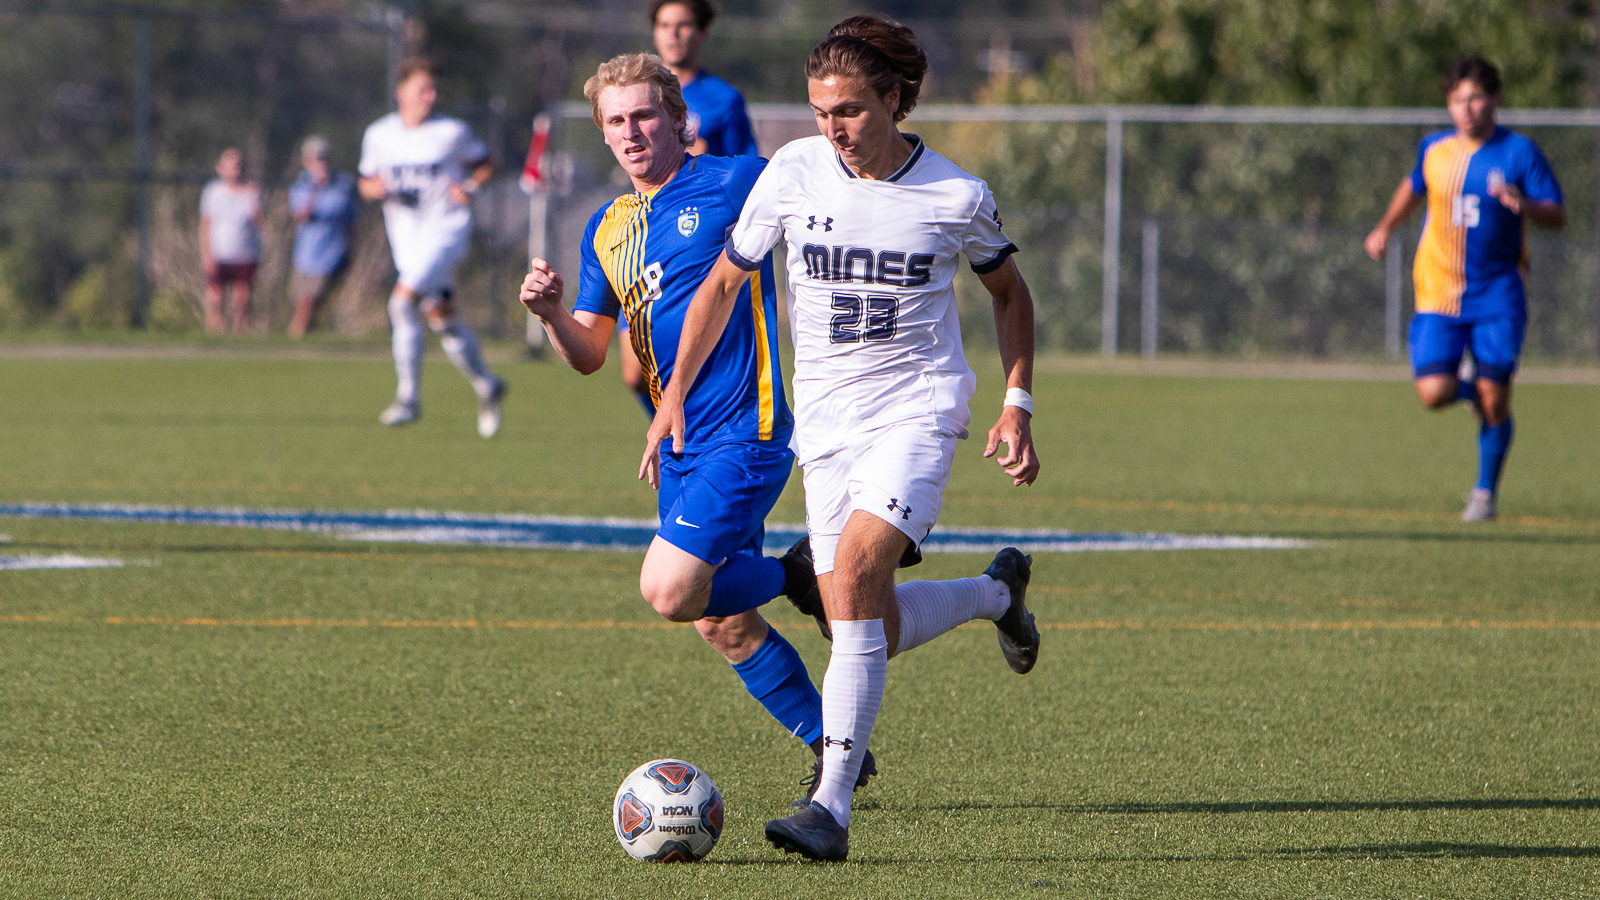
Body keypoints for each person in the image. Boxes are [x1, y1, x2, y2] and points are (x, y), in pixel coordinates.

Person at [645, 16, 1042, 861]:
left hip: (918, 409)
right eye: (822, 110)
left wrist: (1017, 402)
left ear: (895, 100)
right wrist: (672, 393)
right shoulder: (793, 172)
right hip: (825, 426)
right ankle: (998, 595)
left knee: (858, 576)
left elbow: (1011, 295)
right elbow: (724, 283)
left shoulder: (955, 195)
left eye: (852, 111)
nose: (833, 128)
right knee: (864, 622)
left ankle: (829, 807)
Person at [518, 53, 876, 803]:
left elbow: (838, 187)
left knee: (672, 589)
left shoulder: (736, 181)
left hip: (750, 429)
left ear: (679, 118)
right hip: (676, 444)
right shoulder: (607, 227)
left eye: (645, 114)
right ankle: (834, 747)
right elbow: (588, 352)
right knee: (724, 624)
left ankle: (795, 572)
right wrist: (550, 312)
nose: (631, 131)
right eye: (615, 121)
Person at [1365, 56, 1564, 522]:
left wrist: (1526, 206)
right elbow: (1414, 188)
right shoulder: (1435, 150)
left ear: (1494, 99)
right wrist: (1385, 228)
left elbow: (1557, 215)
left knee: (1497, 400)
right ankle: (1473, 392)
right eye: (1457, 100)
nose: (1466, 108)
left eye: (1475, 97)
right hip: (1439, 289)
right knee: (1433, 391)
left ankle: (1484, 495)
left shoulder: (1519, 153)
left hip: (1499, 293)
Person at [614, 0, 763, 420]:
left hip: (696, 241)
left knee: (691, 357)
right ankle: (670, 425)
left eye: (683, 25)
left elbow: (746, 171)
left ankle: (690, 429)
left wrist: (700, 159)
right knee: (631, 369)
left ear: (701, 33)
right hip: (644, 236)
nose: (673, 34)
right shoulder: (638, 92)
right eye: (664, 24)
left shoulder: (723, 99)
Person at [359, 57, 508, 438]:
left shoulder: (451, 132)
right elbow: (365, 181)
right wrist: (372, 189)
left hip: (446, 231)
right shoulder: (379, 134)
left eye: (434, 89)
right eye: (422, 87)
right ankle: (487, 385)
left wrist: (470, 187)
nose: (431, 95)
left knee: (400, 302)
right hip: (405, 239)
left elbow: (486, 164)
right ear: (401, 91)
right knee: (441, 316)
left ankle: (408, 398)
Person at [287, 135, 360, 338]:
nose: (321, 163)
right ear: (306, 161)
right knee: (305, 301)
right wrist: (316, 189)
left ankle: (298, 333)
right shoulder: (302, 185)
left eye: (323, 157)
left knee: (310, 299)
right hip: (305, 253)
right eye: (315, 159)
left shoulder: (344, 185)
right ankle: (302, 337)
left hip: (333, 252)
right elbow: (301, 215)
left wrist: (351, 248)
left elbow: (351, 218)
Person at [198, 147, 262, 334]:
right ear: (220, 168)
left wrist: (254, 198)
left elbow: (259, 219)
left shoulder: (252, 191)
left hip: (245, 253)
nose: (236, 170)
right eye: (232, 166)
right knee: (215, 298)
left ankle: (239, 336)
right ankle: (214, 335)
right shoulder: (212, 191)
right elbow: (205, 224)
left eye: (239, 166)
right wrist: (206, 253)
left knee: (242, 300)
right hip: (219, 252)